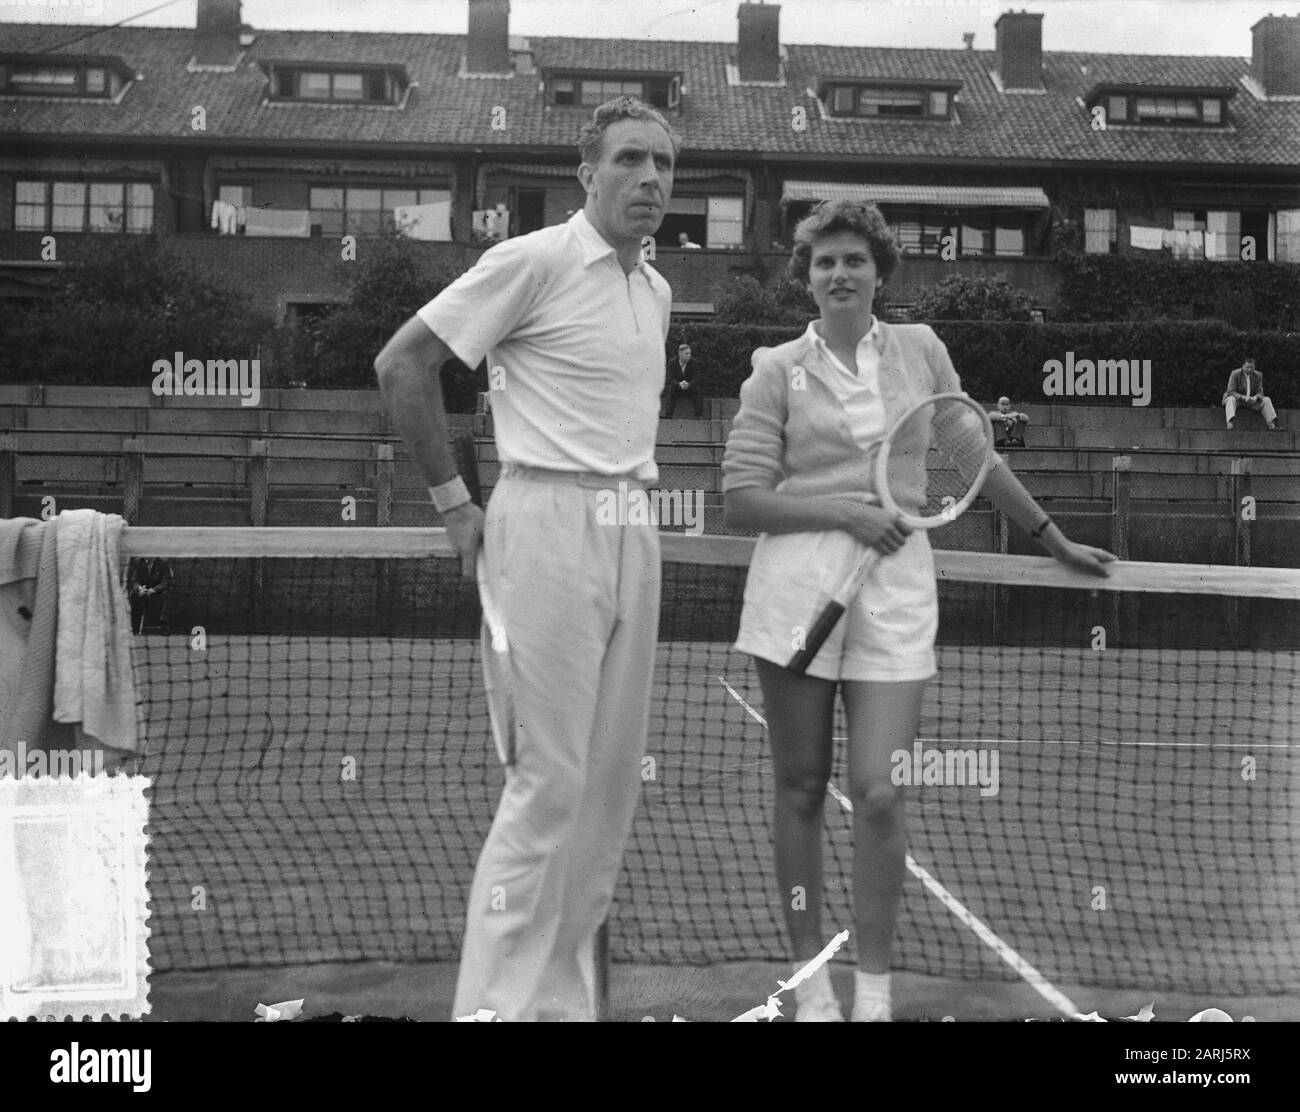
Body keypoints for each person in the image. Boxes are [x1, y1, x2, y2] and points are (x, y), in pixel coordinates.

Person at [722, 201, 1114, 1022]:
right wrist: (846, 510)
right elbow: (741, 501)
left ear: (880, 272)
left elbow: (970, 455)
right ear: (807, 275)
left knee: (879, 793)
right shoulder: (774, 369)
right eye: (823, 262)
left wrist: (1051, 539)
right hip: (797, 596)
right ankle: (811, 990)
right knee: (798, 788)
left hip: (897, 596)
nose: (838, 274)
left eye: (853, 260)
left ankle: (872, 992)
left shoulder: (921, 351)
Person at [373, 96, 677, 1022]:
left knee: (609, 787)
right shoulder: (533, 259)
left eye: (664, 165)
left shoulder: (655, 289)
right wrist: (455, 504)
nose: (651, 180)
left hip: (636, 527)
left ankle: (563, 1008)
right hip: (541, 524)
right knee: (547, 783)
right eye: (630, 160)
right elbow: (403, 364)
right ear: (588, 175)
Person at [1222, 358, 1279, 430]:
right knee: (1230, 399)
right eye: (1247, 367)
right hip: (1238, 400)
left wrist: (1256, 397)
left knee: (1266, 399)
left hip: (1251, 401)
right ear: (1243, 366)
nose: (1249, 370)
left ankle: (1271, 424)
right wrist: (1242, 397)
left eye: (1252, 367)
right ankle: (1230, 423)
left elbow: (1260, 392)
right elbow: (1230, 391)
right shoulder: (1235, 374)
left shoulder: (1258, 375)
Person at [127, 556, 172, 634]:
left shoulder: (164, 562)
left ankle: (163, 626)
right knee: (132, 594)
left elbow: (165, 582)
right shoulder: (138, 562)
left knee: (166, 594)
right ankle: (133, 627)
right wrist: (139, 588)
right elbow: (134, 581)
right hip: (143, 591)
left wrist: (153, 590)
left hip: (158, 592)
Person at [661, 342, 705, 419]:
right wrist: (678, 384)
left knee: (698, 390)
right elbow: (669, 378)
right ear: (680, 354)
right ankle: (669, 415)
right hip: (677, 388)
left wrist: (689, 384)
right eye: (686, 354)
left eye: (689, 353)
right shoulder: (672, 363)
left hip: (689, 388)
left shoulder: (694, 363)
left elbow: (696, 378)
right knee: (670, 389)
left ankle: (699, 415)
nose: (689, 356)